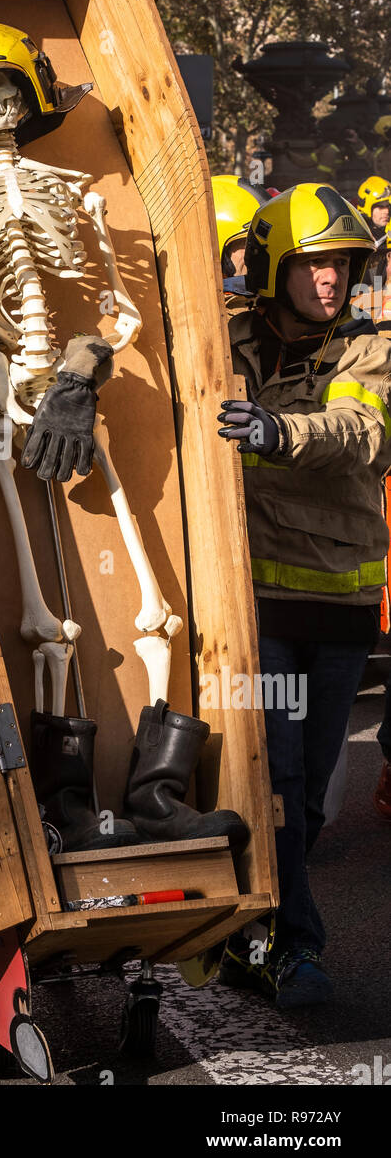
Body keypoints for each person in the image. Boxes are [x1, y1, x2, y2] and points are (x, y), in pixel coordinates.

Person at [216, 182, 389, 1008]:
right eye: (316, 262)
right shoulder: (226, 342)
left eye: (344, 264)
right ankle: (297, 949)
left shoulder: (368, 350)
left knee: (312, 797)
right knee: (279, 785)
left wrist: (277, 431)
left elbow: (361, 435)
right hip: (259, 608)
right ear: (276, 263)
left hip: (342, 609)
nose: (332, 280)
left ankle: (259, 934)